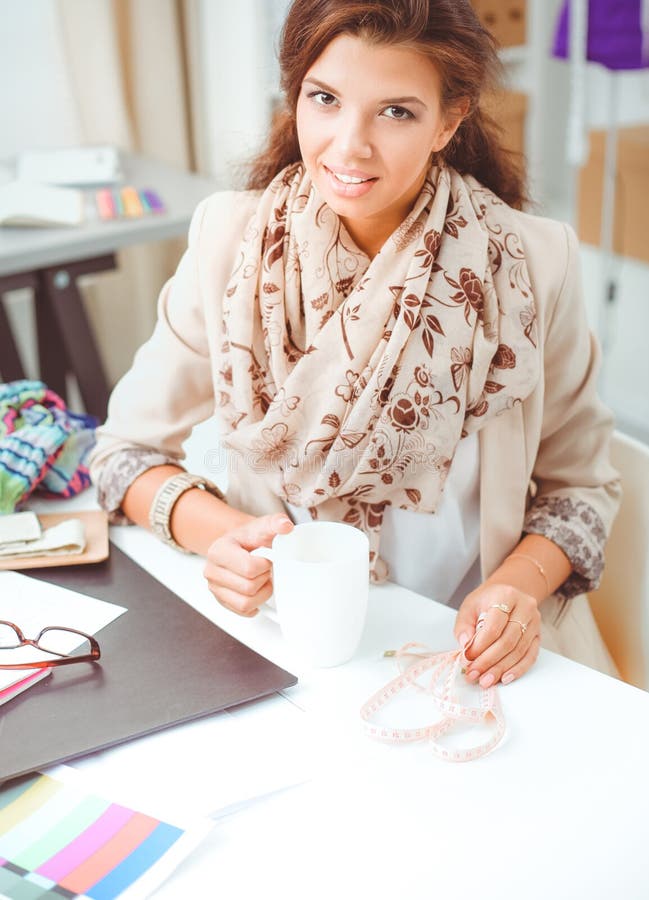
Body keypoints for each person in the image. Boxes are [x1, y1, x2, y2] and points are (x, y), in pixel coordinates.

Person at [89, 0, 621, 687]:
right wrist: (217, 532)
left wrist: (518, 587)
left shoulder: (532, 264)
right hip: (289, 651)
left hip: (474, 661)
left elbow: (582, 488)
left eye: (396, 111)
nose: (348, 145)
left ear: (450, 119)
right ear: (296, 98)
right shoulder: (230, 244)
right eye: (326, 99)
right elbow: (122, 455)